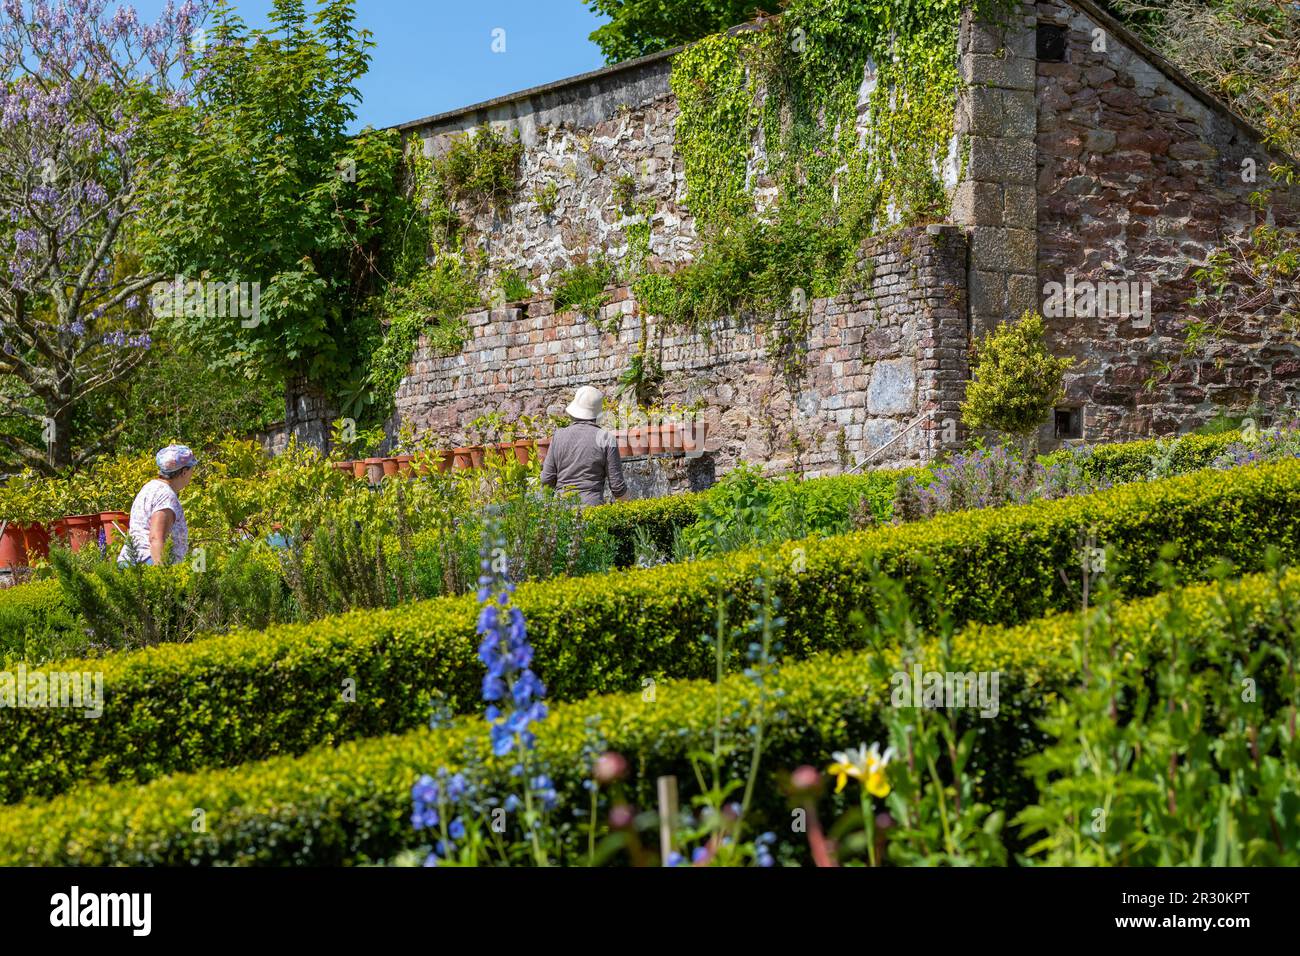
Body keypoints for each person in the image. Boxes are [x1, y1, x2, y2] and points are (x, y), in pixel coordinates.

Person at [541, 385, 629, 506]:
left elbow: (546, 479)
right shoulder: (606, 438)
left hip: (561, 512)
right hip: (591, 509)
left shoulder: (558, 437)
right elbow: (617, 487)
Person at [119, 444, 197, 567]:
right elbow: (156, 538)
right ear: (184, 472)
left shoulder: (149, 487)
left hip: (133, 560)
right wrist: (162, 575)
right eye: (192, 469)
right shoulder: (166, 495)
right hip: (148, 563)